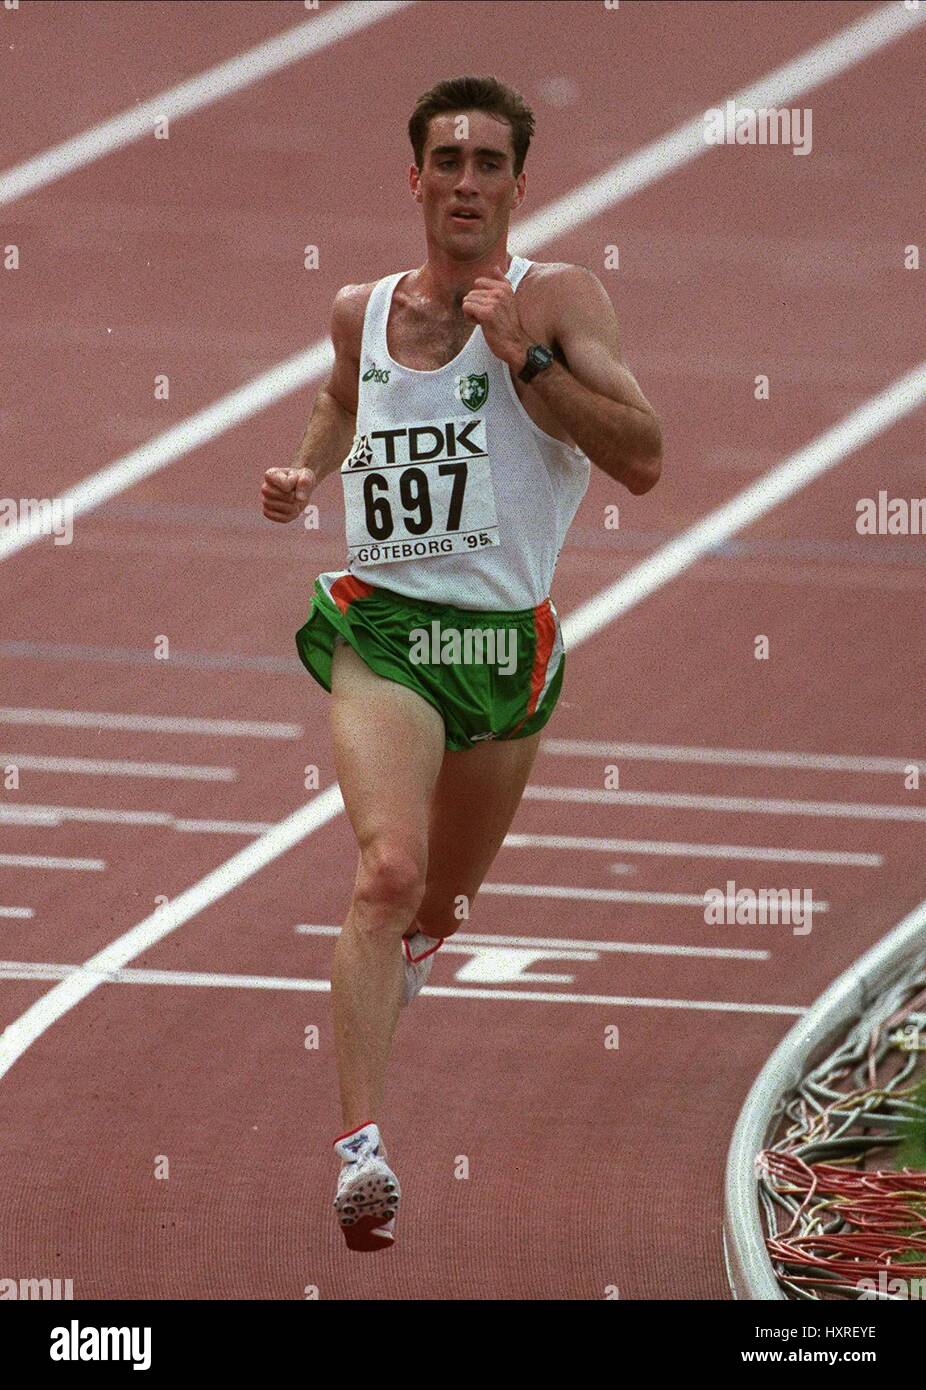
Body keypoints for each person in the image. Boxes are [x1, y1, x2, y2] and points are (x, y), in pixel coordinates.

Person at [261, 75, 662, 1253]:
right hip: (386, 633)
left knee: (438, 904)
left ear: (517, 186)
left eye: (489, 163)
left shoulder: (560, 297)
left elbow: (641, 457)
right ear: (416, 180)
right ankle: (359, 1156)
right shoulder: (361, 309)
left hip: (502, 648)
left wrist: (523, 357)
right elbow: (343, 400)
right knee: (386, 872)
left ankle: (413, 952)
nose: (467, 182)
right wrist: (303, 470)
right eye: (448, 161)